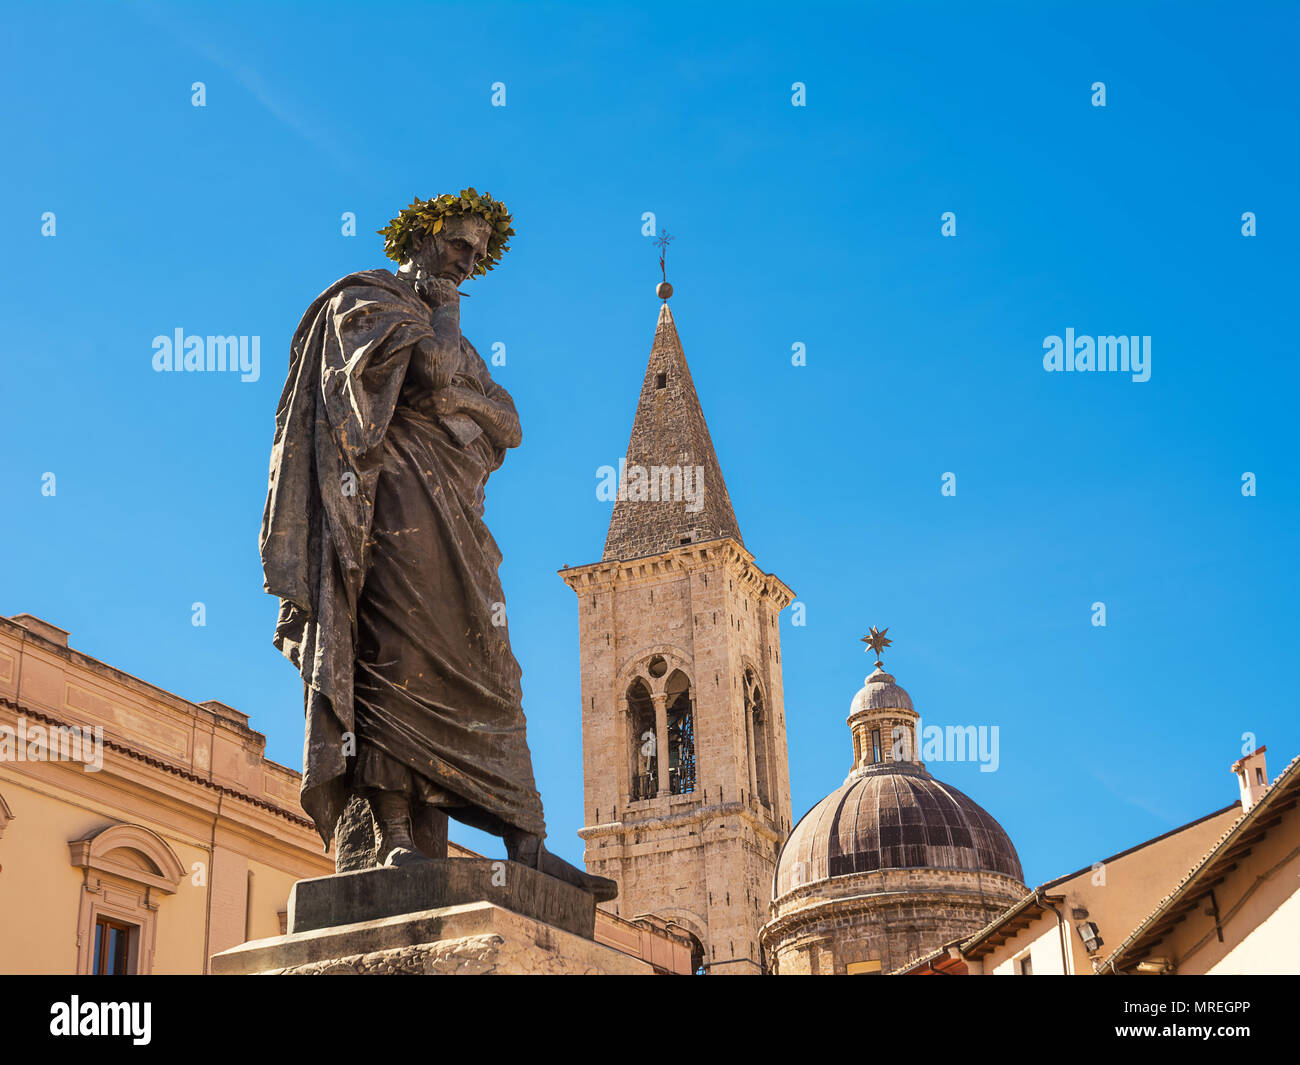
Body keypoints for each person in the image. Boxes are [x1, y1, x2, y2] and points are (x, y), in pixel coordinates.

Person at [261, 190, 615, 900]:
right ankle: (394, 836)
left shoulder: (448, 335)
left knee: (496, 670)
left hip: (458, 525)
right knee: (398, 658)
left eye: (477, 253)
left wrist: (459, 392)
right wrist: (447, 350)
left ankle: (528, 842)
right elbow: (428, 374)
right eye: (459, 244)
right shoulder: (365, 302)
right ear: (421, 236)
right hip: (390, 516)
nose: (469, 259)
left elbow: (510, 425)